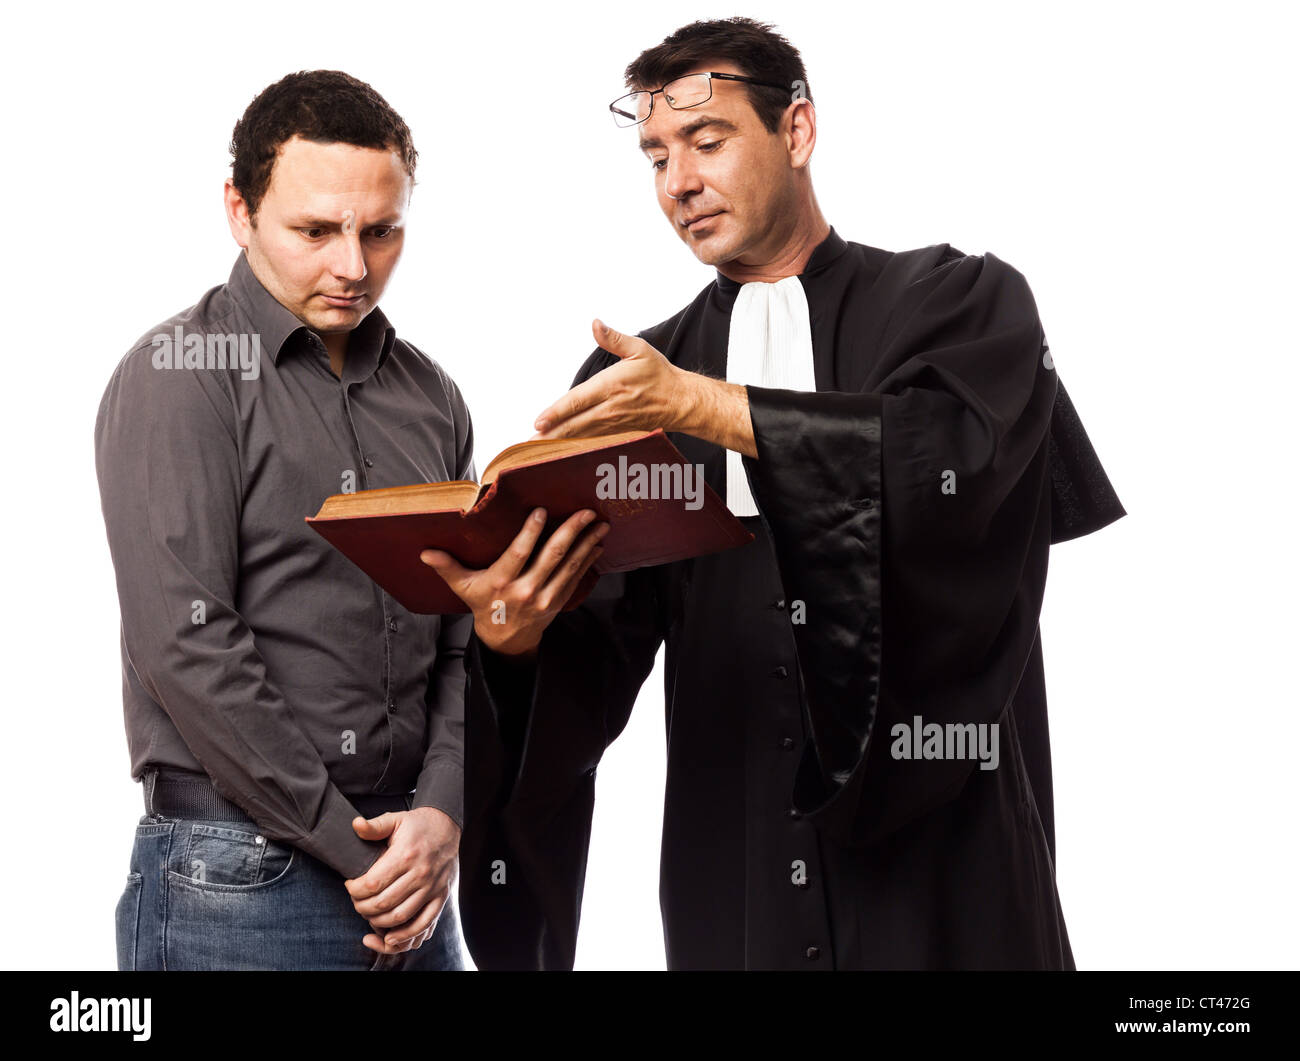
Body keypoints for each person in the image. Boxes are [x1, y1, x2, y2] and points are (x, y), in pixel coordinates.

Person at [432, 17, 1126, 970]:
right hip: (737, 878)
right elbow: (590, 660)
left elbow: (952, 474)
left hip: (943, 875)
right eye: (655, 155)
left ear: (796, 132)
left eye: (707, 141)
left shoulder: (958, 302)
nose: (678, 182)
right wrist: (514, 641)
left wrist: (710, 407)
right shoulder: (637, 379)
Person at [96, 70, 474, 969]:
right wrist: (359, 853)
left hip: (415, 876)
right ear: (239, 210)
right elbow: (186, 648)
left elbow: (465, 631)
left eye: (381, 231)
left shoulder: (432, 397)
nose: (352, 265)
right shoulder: (181, 375)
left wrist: (445, 810)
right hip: (240, 882)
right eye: (315, 231)